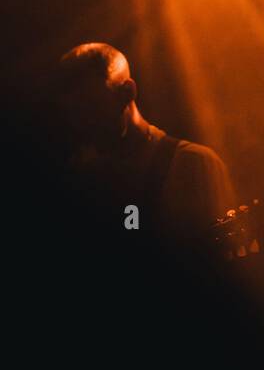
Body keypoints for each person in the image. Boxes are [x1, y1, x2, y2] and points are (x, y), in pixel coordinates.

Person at [56, 41, 234, 241]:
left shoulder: (194, 165)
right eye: (74, 113)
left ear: (127, 91)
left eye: (91, 107)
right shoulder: (81, 175)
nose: (83, 123)